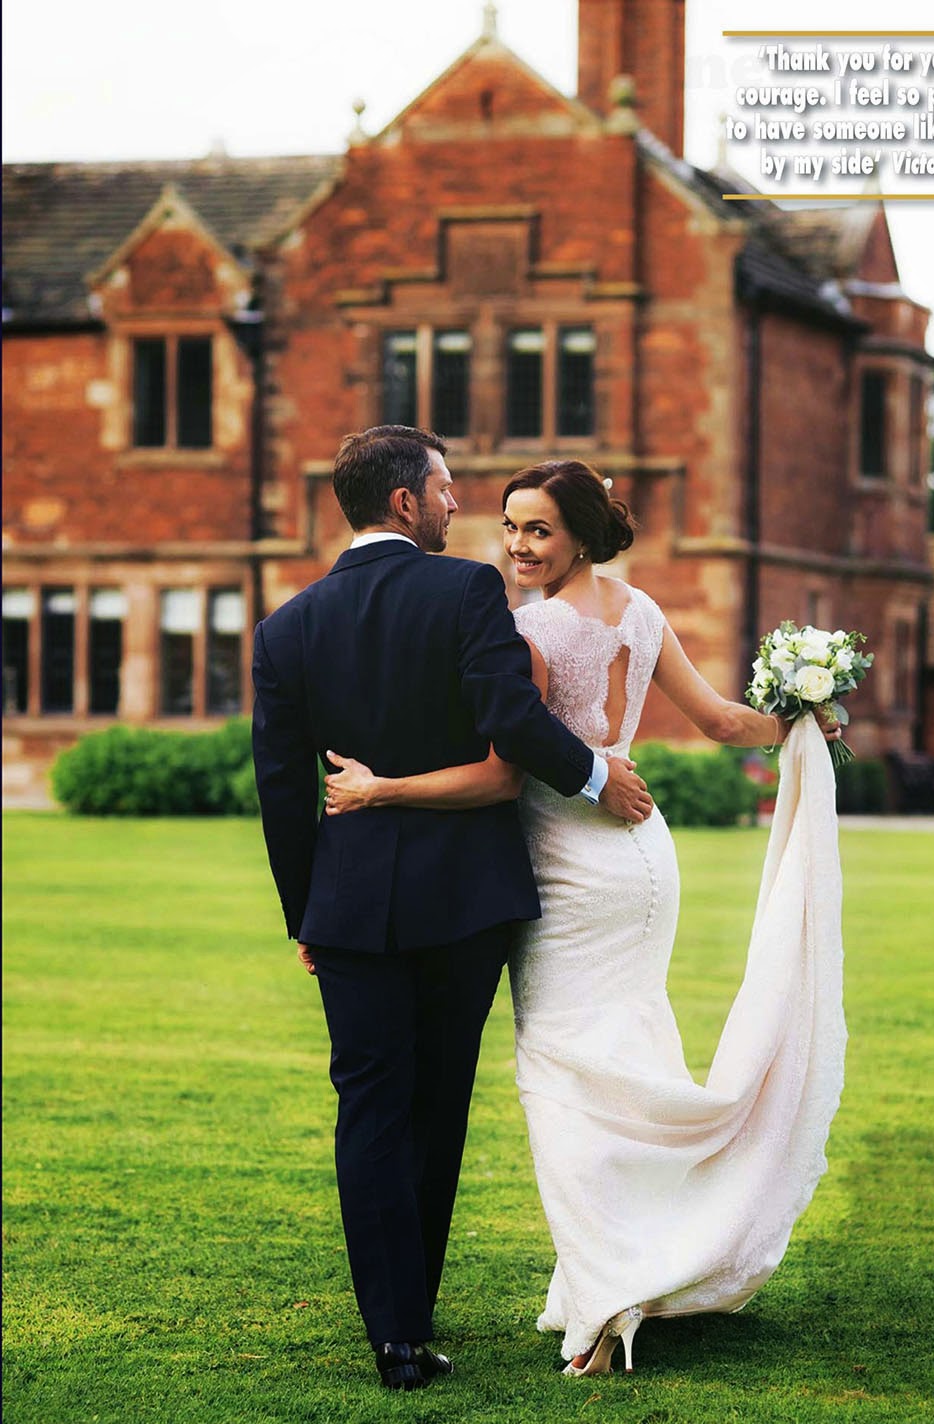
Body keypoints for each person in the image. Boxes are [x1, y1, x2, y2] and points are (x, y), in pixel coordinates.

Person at [323, 459, 848, 1376]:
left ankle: (608, 1301)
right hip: (644, 858)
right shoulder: (641, 611)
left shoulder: (526, 632)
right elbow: (725, 722)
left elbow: (504, 771)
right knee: (632, 1060)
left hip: (569, 868)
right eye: (510, 526)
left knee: (561, 1082)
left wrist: (382, 789)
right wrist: (805, 720)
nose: (518, 546)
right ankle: (643, 1264)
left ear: (579, 535)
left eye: (539, 530)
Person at [250, 429, 653, 1392]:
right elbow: (511, 720)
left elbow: (281, 790)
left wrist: (306, 915)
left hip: (347, 910)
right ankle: (412, 1315)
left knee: (369, 1109)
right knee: (436, 1107)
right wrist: (598, 775)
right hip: (464, 902)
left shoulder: (285, 627)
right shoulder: (469, 590)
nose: (453, 503)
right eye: (442, 488)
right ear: (404, 502)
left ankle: (395, 1336)